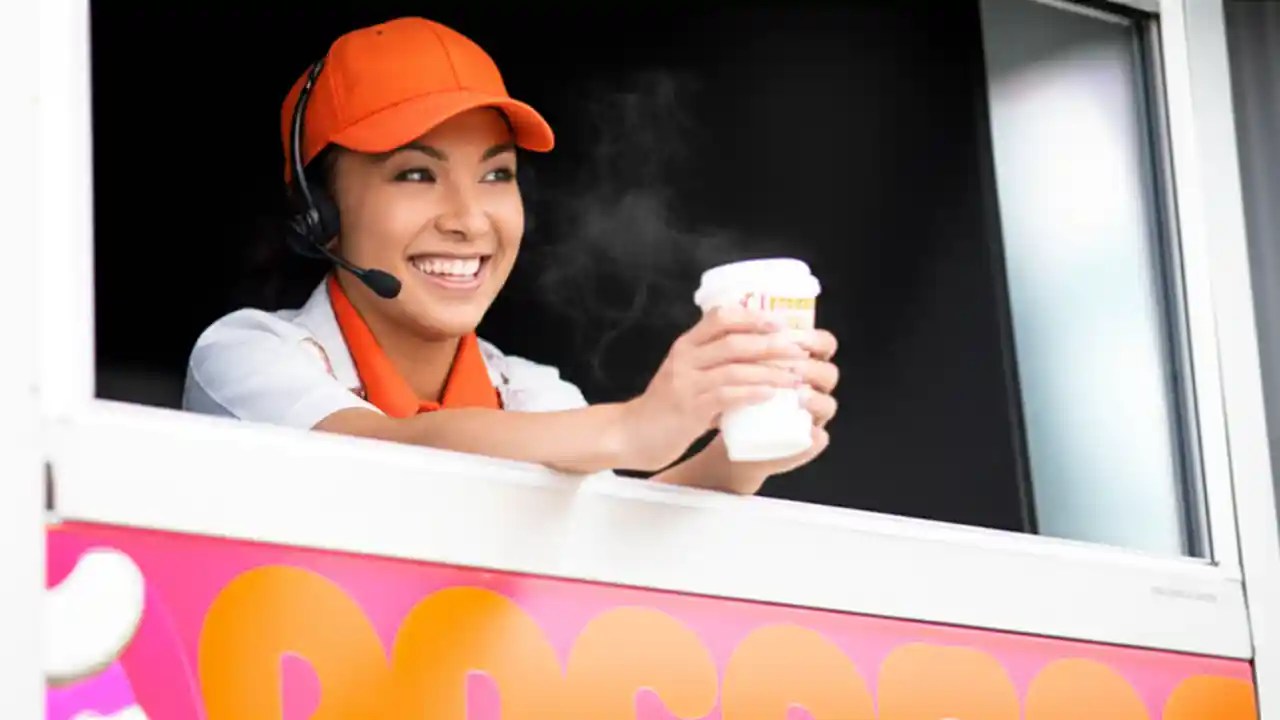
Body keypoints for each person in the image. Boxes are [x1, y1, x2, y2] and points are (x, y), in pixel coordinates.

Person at [183, 16, 839, 494]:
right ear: (319, 214)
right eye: (415, 174)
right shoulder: (245, 354)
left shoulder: (531, 393)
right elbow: (377, 452)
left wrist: (739, 454)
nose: (470, 220)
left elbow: (616, 558)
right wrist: (635, 427)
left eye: (497, 176)